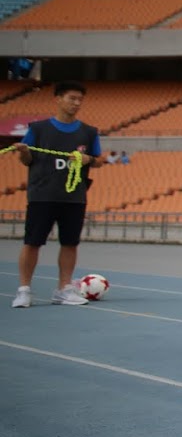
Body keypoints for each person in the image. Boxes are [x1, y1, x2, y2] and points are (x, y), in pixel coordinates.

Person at [12, 80, 102, 308]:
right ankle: (24, 290)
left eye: (80, 99)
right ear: (58, 99)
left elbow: (99, 160)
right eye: (72, 98)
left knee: (70, 243)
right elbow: (27, 159)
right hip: (42, 194)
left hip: (74, 196)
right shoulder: (38, 129)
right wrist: (23, 152)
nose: (76, 103)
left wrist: (87, 159)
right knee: (32, 243)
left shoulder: (89, 132)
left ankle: (63, 289)